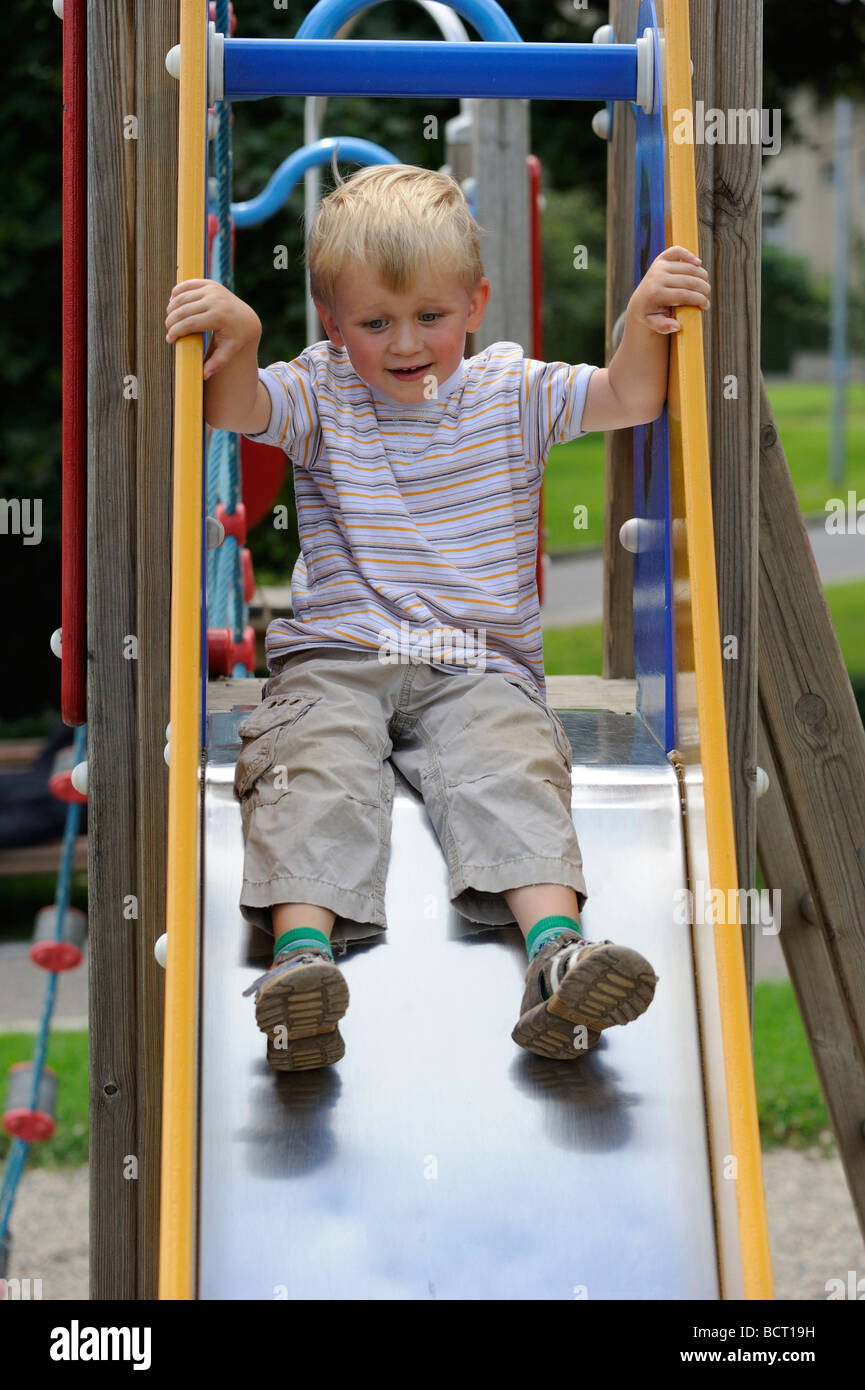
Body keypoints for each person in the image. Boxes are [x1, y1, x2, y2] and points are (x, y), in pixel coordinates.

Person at [165, 162, 711, 1073]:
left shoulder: (513, 390)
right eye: (374, 323)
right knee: (313, 766)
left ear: (475, 303)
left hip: (479, 668)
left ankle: (557, 957)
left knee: (510, 767)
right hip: (338, 658)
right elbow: (233, 405)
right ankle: (301, 969)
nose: (406, 341)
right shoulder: (319, 391)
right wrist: (245, 334)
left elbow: (630, 396)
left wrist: (643, 316)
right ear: (334, 326)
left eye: (430, 316)